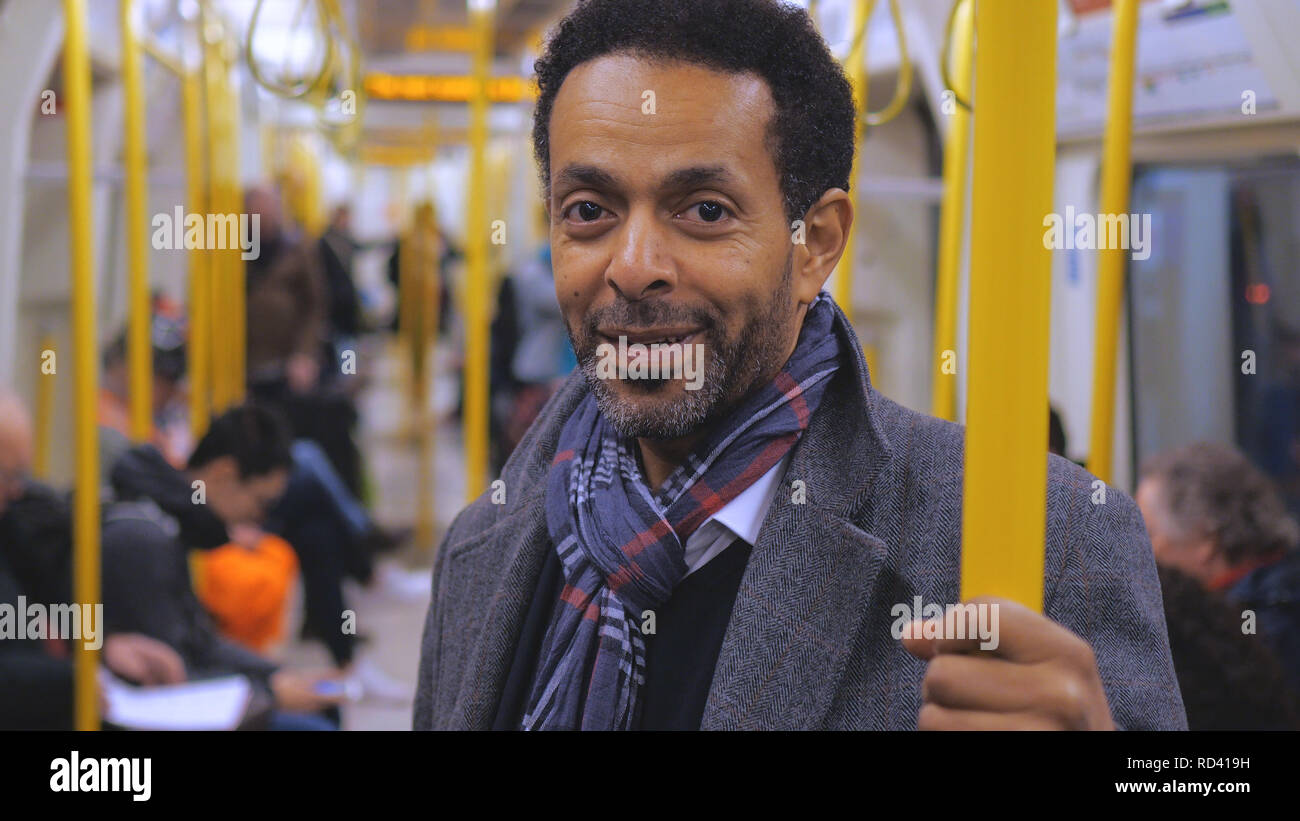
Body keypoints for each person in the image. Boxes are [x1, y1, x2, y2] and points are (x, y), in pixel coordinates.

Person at [415, 0, 1185, 731]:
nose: (634, 266)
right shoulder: (486, 545)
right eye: (589, 211)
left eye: (705, 211)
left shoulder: (1046, 545)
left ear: (816, 242)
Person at [103, 403, 343, 728]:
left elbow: (197, 641)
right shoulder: (146, 539)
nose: (260, 519)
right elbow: (172, 672)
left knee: (320, 710)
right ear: (224, 475)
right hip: (150, 707)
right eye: (262, 503)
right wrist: (269, 691)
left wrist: (274, 676)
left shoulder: (165, 523)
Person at [0, 391, 190, 730]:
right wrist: (72, 679)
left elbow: (19, 623)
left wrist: (103, 646)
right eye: (8, 476)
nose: (15, 491)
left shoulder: (12, 528)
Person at [1137, 441, 1300, 691]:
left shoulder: (1256, 632)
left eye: (1147, 534)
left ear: (1206, 541)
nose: (1137, 551)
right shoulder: (1275, 598)